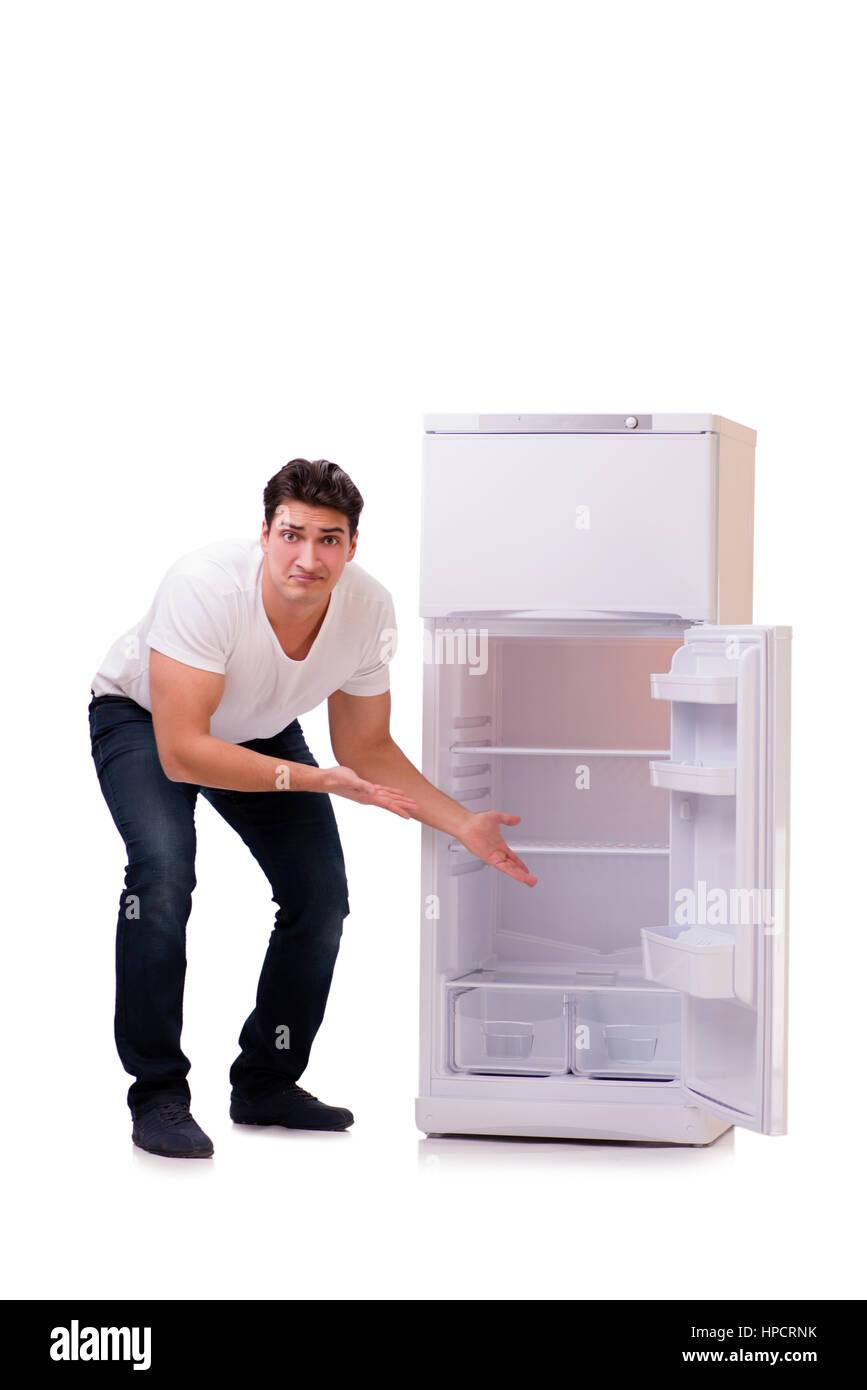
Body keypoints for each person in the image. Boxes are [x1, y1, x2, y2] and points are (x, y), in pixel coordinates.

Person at [88, 457, 537, 1159]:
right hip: (147, 724)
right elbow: (183, 753)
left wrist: (461, 823)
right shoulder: (203, 586)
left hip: (262, 728)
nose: (308, 557)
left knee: (320, 899)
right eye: (292, 535)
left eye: (328, 539)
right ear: (263, 533)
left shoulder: (367, 609)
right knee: (163, 878)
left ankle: (266, 1081)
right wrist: (313, 780)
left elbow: (368, 747)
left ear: (352, 546)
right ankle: (158, 1096)